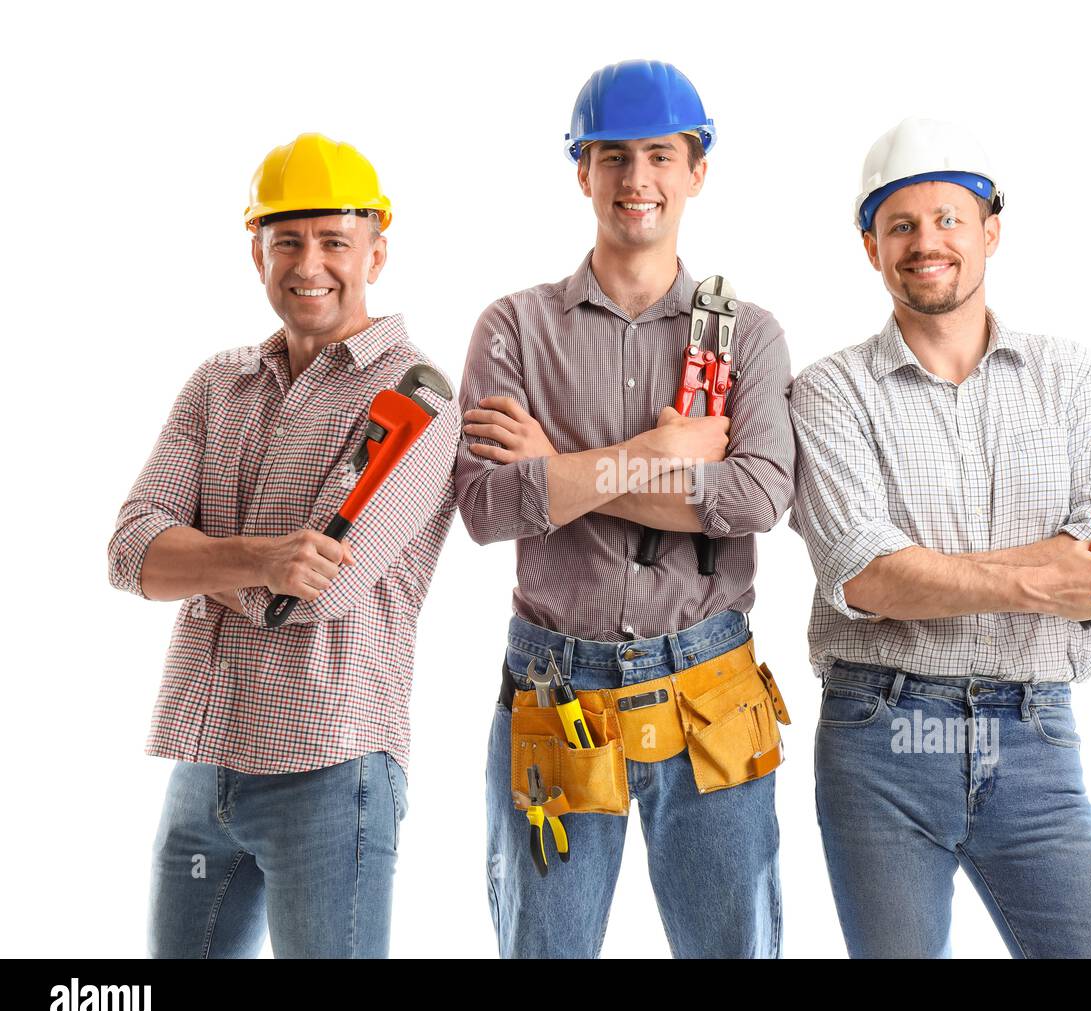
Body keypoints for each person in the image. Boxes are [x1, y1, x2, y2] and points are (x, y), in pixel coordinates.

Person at [790, 117, 1091, 958]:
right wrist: (1040, 576)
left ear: (991, 229)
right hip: (878, 742)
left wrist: (928, 571)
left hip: (1035, 742)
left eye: (949, 219)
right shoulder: (829, 393)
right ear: (871, 245)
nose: (928, 243)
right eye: (902, 225)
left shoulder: (1073, 380)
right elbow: (871, 578)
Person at [456, 60, 797, 958]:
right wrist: (653, 457)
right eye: (613, 158)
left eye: (659, 156)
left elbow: (756, 496)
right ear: (583, 172)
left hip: (711, 689)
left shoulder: (749, 334)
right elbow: (489, 508)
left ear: (696, 171)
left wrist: (560, 476)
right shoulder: (512, 329)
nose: (636, 181)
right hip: (553, 689)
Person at [107, 132, 460, 958]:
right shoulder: (217, 382)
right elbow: (129, 551)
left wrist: (194, 560)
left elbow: (309, 595)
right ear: (256, 251)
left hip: (330, 770)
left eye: (335, 241)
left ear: (377, 251)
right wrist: (263, 557)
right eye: (288, 240)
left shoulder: (414, 397)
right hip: (204, 762)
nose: (311, 264)